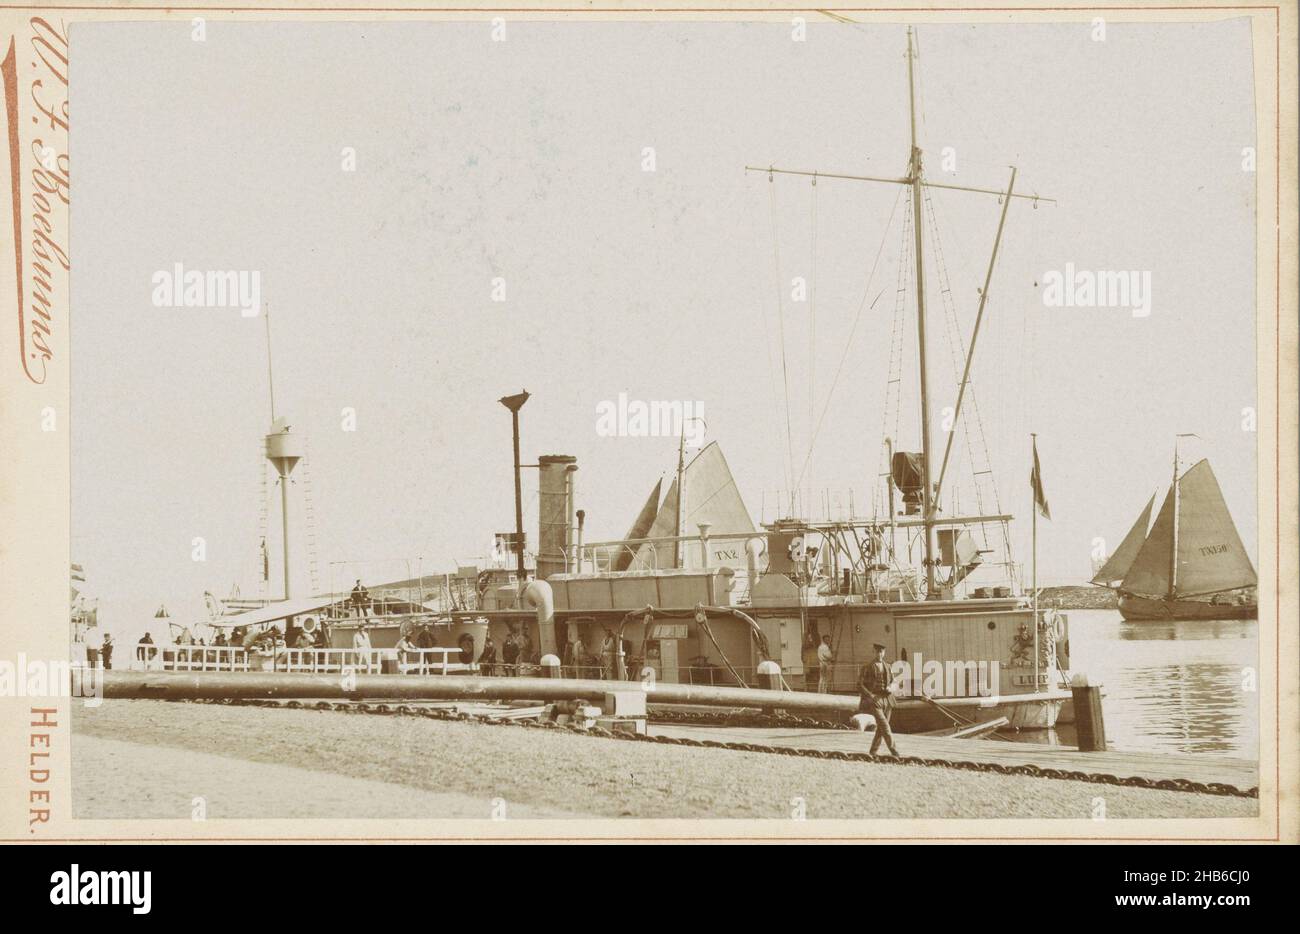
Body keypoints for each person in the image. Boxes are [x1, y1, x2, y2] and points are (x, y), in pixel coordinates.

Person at [858, 643, 899, 756]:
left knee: (881, 728)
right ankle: (895, 752)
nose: (879, 654)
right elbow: (860, 685)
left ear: (884, 653)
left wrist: (891, 687)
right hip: (875, 700)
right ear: (874, 652)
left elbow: (894, 681)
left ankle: (873, 751)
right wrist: (870, 695)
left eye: (881, 652)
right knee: (885, 726)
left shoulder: (888, 666)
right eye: (877, 652)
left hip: (888, 699)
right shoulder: (867, 667)